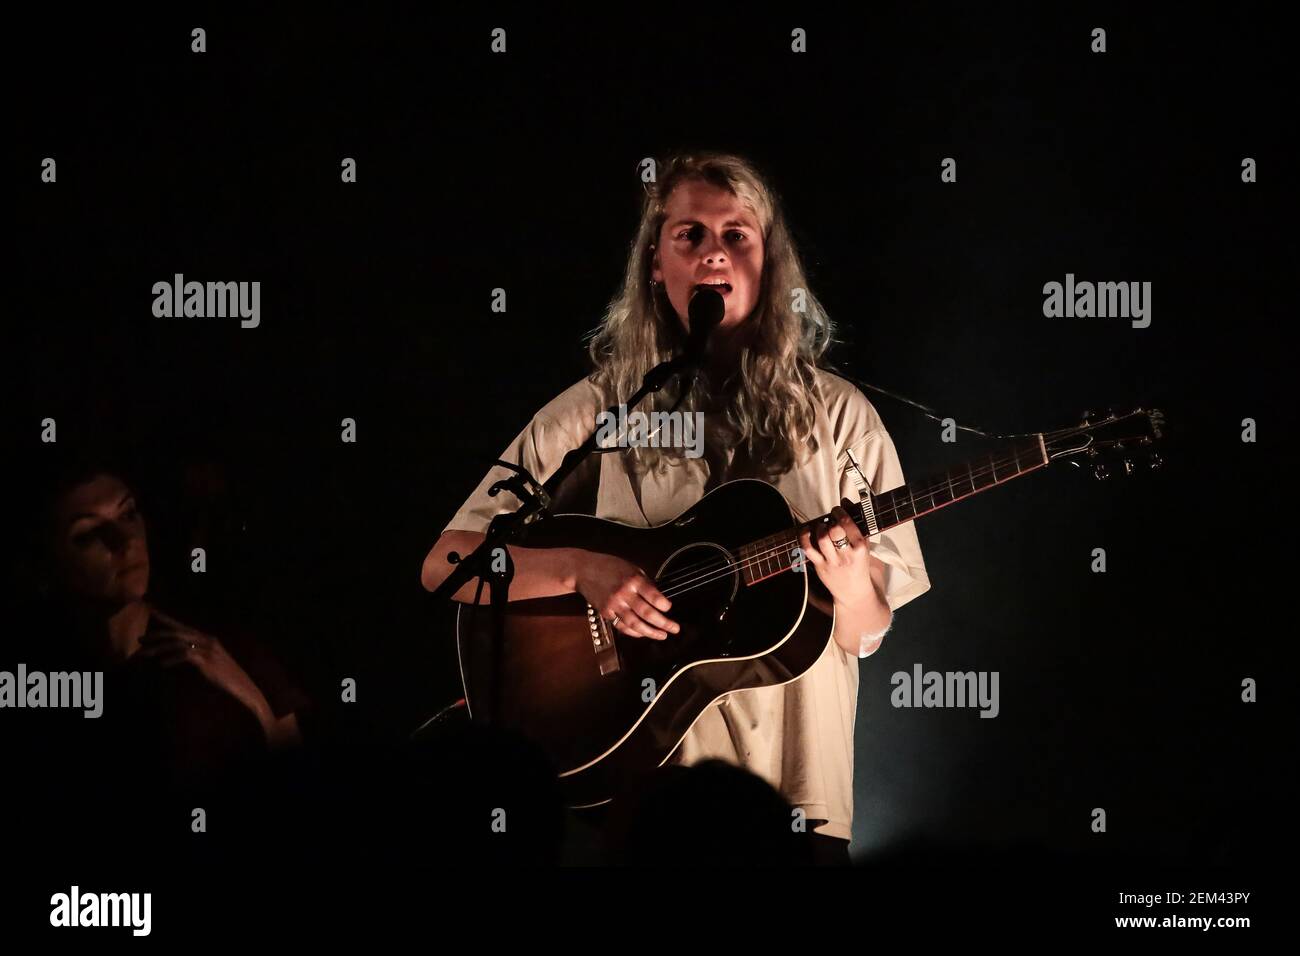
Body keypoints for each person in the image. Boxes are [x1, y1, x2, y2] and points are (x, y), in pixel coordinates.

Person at [420, 151, 932, 863]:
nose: (713, 253)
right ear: (655, 264)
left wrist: (850, 587)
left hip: (796, 795)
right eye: (689, 234)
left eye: (737, 235)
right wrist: (580, 570)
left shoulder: (841, 417)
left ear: (769, 262)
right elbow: (448, 562)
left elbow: (865, 631)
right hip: (651, 793)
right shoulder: (604, 407)